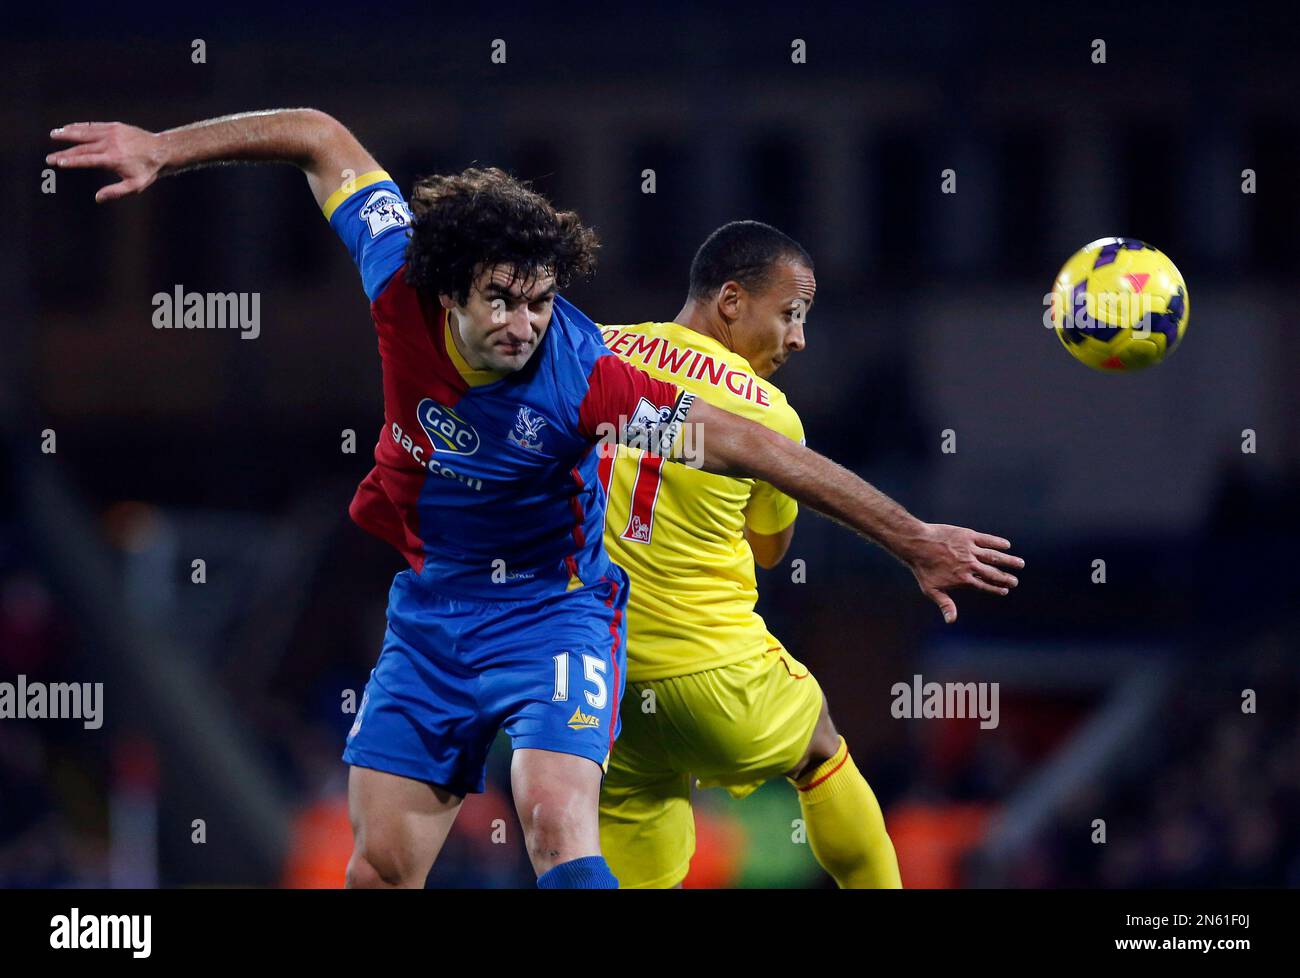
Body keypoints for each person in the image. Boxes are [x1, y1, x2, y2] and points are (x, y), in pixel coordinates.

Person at [47, 111, 1023, 889]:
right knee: (379, 867)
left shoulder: (587, 381)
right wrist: (163, 149)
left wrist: (912, 537)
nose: (524, 323)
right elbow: (317, 132)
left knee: (558, 825)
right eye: (502, 300)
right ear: (449, 293)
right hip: (430, 615)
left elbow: (751, 449)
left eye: (542, 299)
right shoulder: (396, 277)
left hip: (552, 617)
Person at [596, 220, 995, 887]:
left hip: (604, 681)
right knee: (820, 747)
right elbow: (772, 549)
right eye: (790, 314)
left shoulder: (596, 353)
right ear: (730, 302)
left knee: (638, 814)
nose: (799, 337)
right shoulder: (766, 411)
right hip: (713, 674)